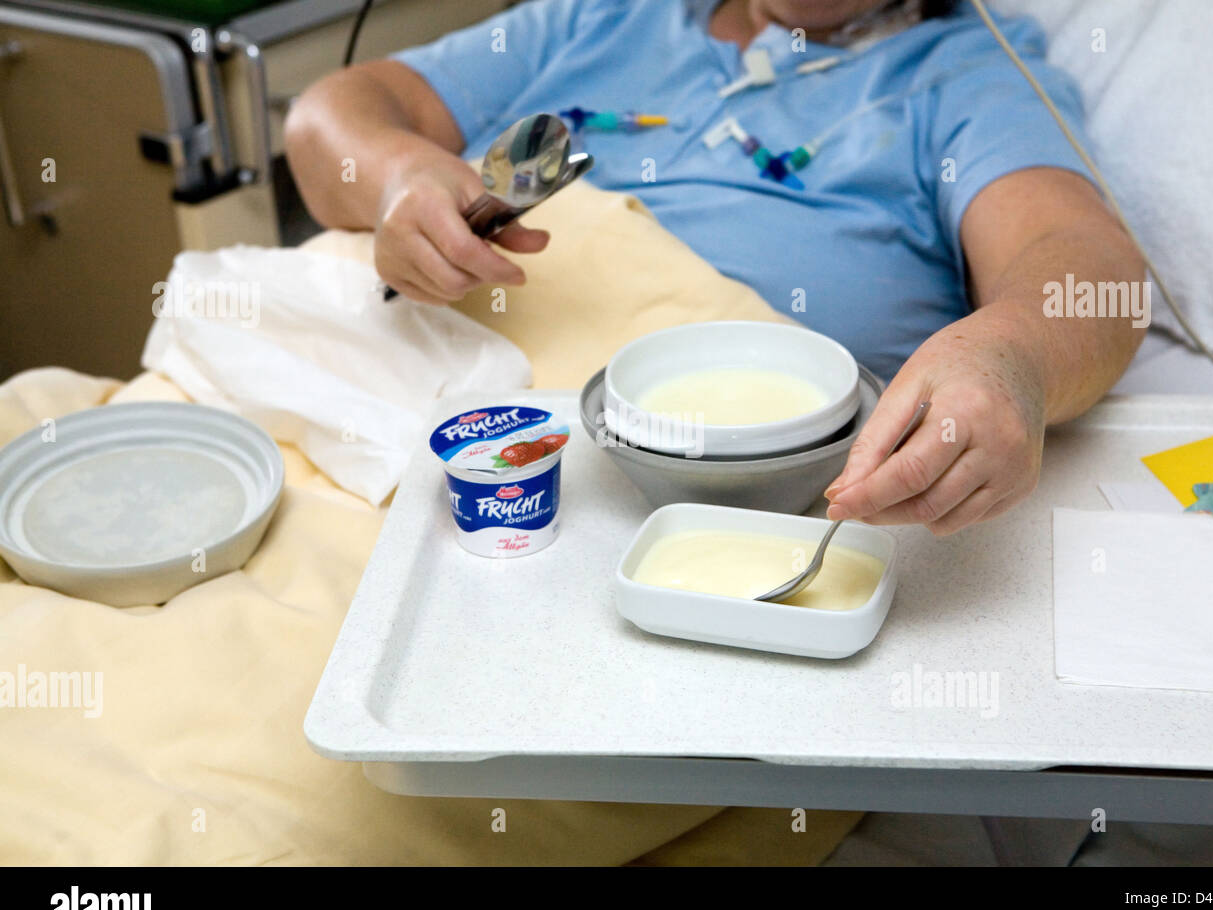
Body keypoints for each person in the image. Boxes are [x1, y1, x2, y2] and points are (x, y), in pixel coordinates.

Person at [286, 0, 1145, 536]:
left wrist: (1011, 358)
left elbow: (1081, 267)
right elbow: (331, 115)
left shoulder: (964, 73)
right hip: (384, 428)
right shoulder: (601, 17)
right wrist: (397, 176)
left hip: (660, 513)